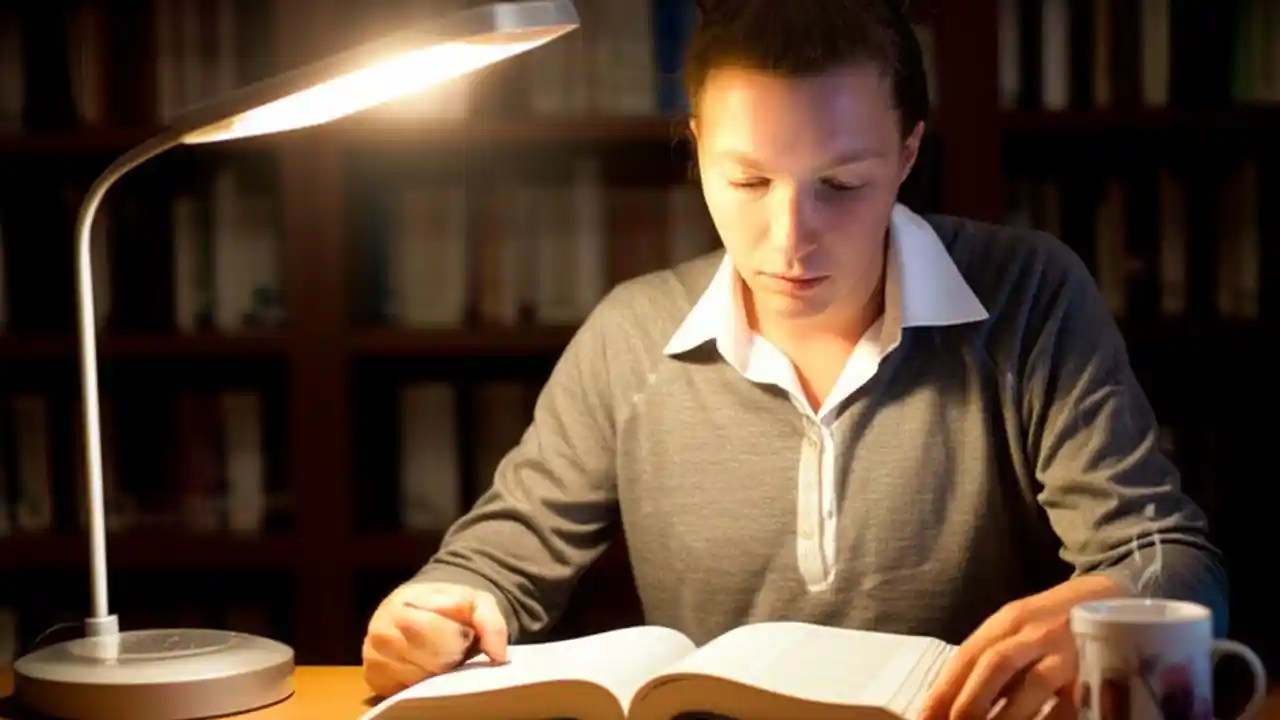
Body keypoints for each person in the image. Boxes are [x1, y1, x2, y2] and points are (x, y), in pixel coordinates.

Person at [362, 1, 1229, 718]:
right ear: (696, 145)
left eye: (841, 186)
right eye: (746, 182)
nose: (788, 240)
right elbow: (489, 568)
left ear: (907, 154)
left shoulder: (1028, 295)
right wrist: (434, 615)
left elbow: (1174, 558)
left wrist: (1108, 602)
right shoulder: (634, 332)